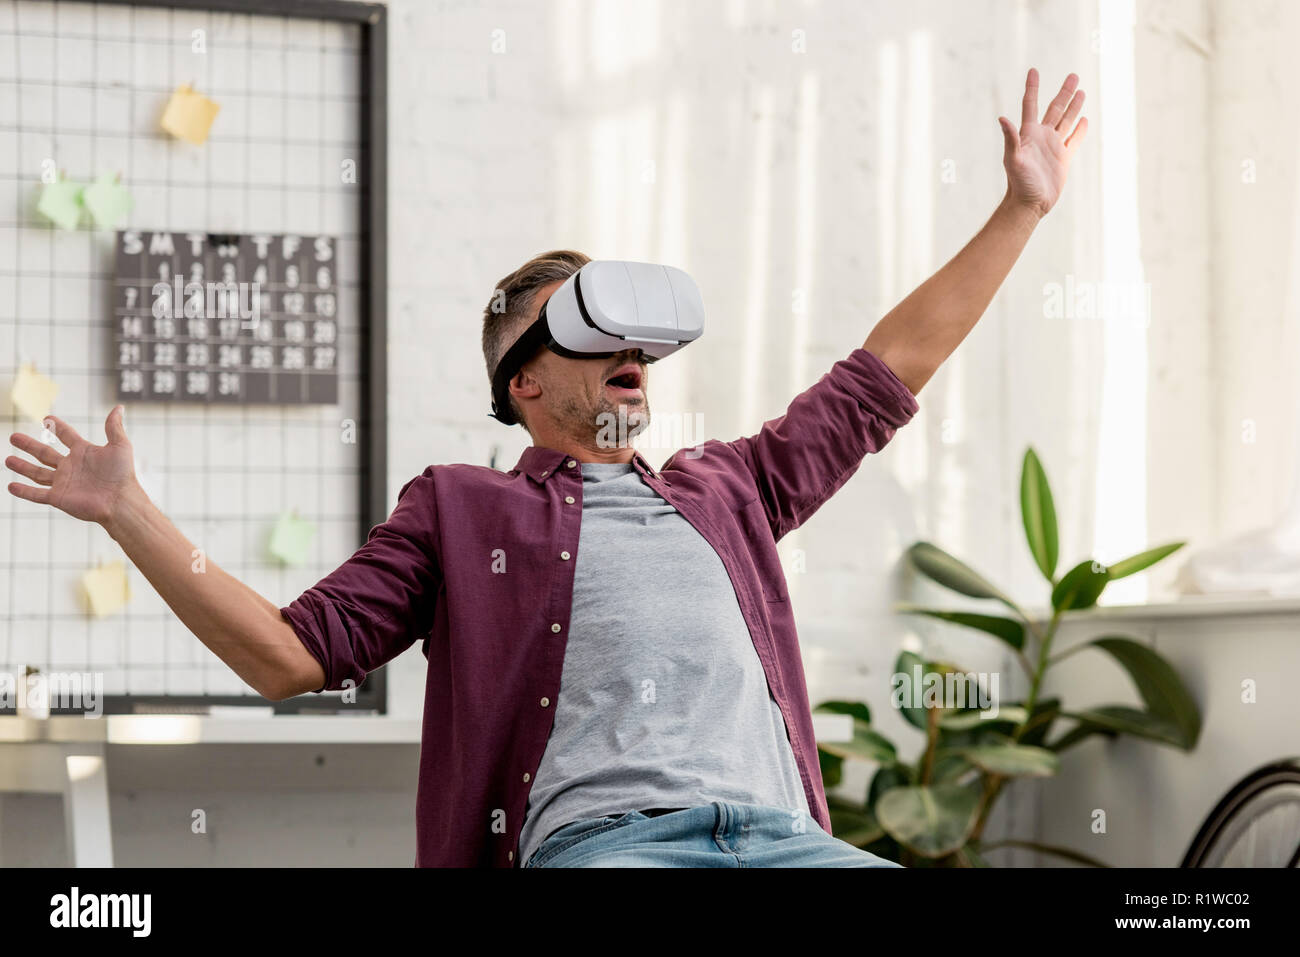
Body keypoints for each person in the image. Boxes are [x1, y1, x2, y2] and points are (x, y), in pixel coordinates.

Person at [5, 69, 1086, 868]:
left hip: (783, 842)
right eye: (584, 329)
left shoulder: (730, 491)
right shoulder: (459, 508)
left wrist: (1022, 206)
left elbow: (885, 370)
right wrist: (126, 509)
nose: (629, 355)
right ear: (522, 380)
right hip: (609, 851)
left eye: (633, 335)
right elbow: (290, 657)